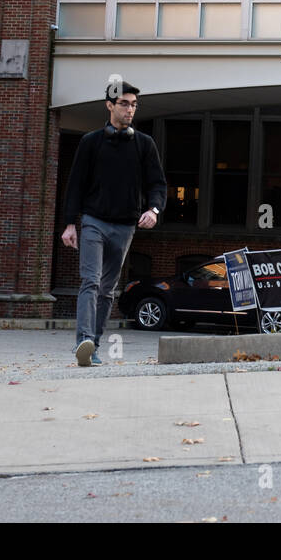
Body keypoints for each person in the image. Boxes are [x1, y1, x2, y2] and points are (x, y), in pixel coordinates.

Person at [61, 81, 167, 367]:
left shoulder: (145, 145)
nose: (129, 109)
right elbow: (75, 186)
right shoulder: (90, 142)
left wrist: (154, 210)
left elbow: (157, 184)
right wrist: (70, 224)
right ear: (109, 105)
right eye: (124, 104)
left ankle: (92, 345)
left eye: (133, 105)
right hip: (93, 221)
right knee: (90, 281)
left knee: (108, 289)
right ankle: (82, 339)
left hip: (125, 227)